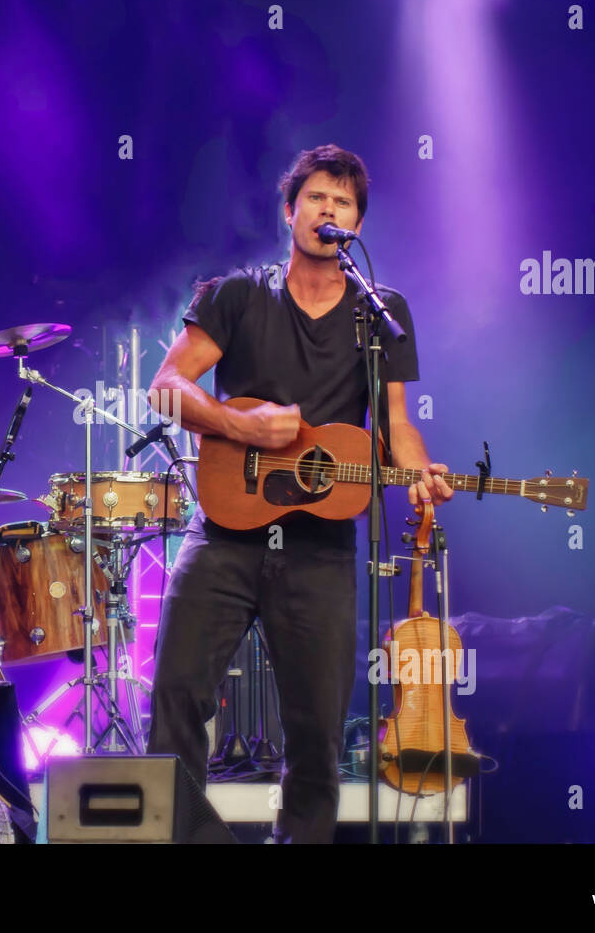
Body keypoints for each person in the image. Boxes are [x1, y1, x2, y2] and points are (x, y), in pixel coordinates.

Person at [146, 145, 455, 842]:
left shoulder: (381, 315)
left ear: (357, 225)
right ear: (290, 212)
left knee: (317, 732)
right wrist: (237, 422)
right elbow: (164, 389)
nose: (329, 210)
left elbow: (396, 424)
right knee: (175, 700)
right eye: (316, 197)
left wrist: (421, 478)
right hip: (224, 533)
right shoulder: (237, 296)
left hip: (319, 548)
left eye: (343, 203)